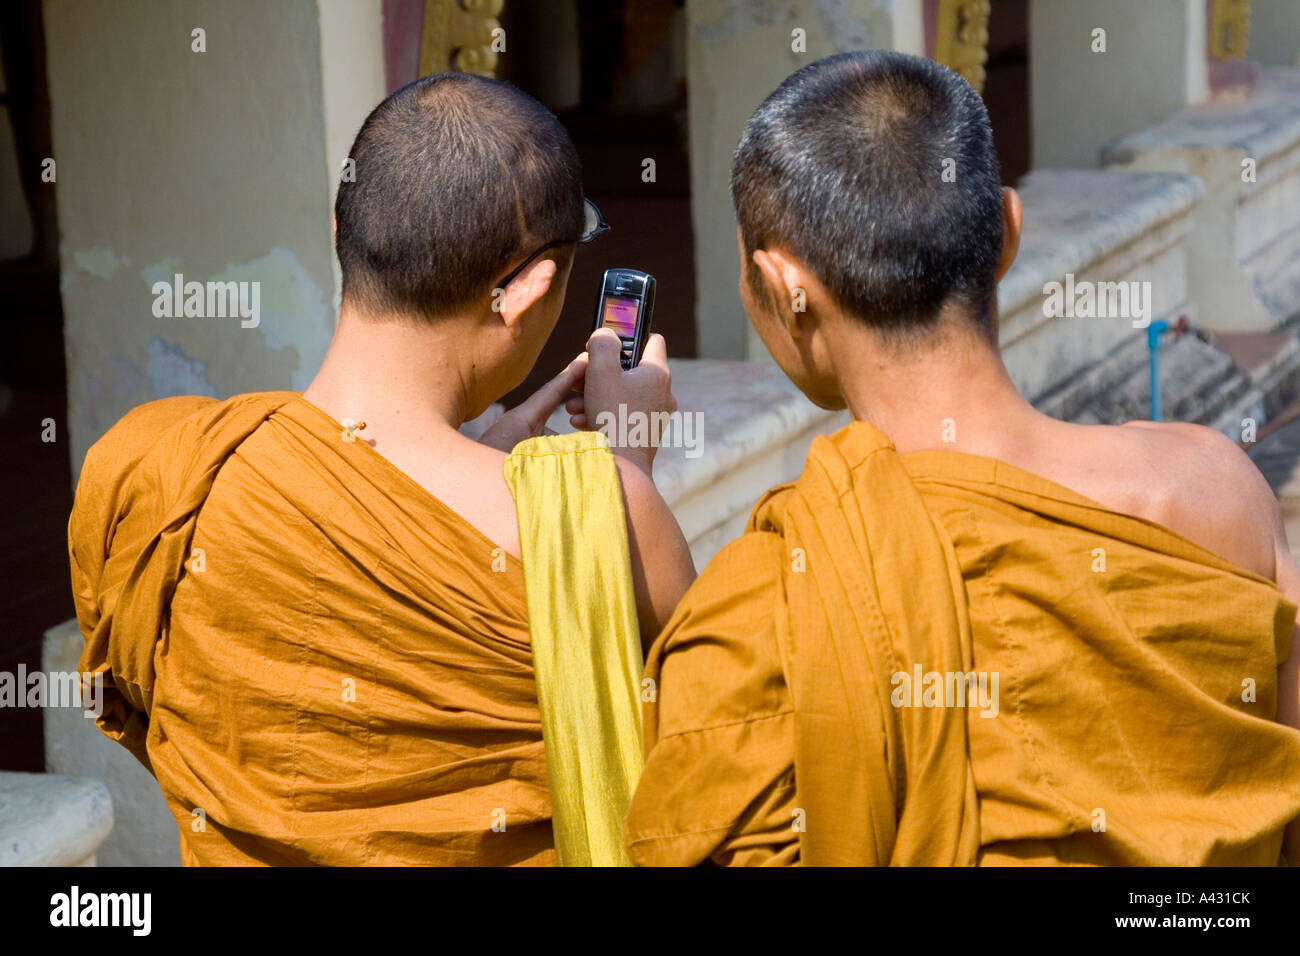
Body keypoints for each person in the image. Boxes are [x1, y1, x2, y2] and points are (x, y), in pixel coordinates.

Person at [624, 50, 1300, 866]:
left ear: (781, 284)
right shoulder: (1215, 488)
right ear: (1008, 231)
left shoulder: (762, 606)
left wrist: (620, 486)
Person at [69, 72, 695, 866]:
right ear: (530, 287)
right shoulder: (599, 511)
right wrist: (615, 480)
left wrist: (514, 475)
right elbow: (701, 775)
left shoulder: (158, 472)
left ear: (341, 228)